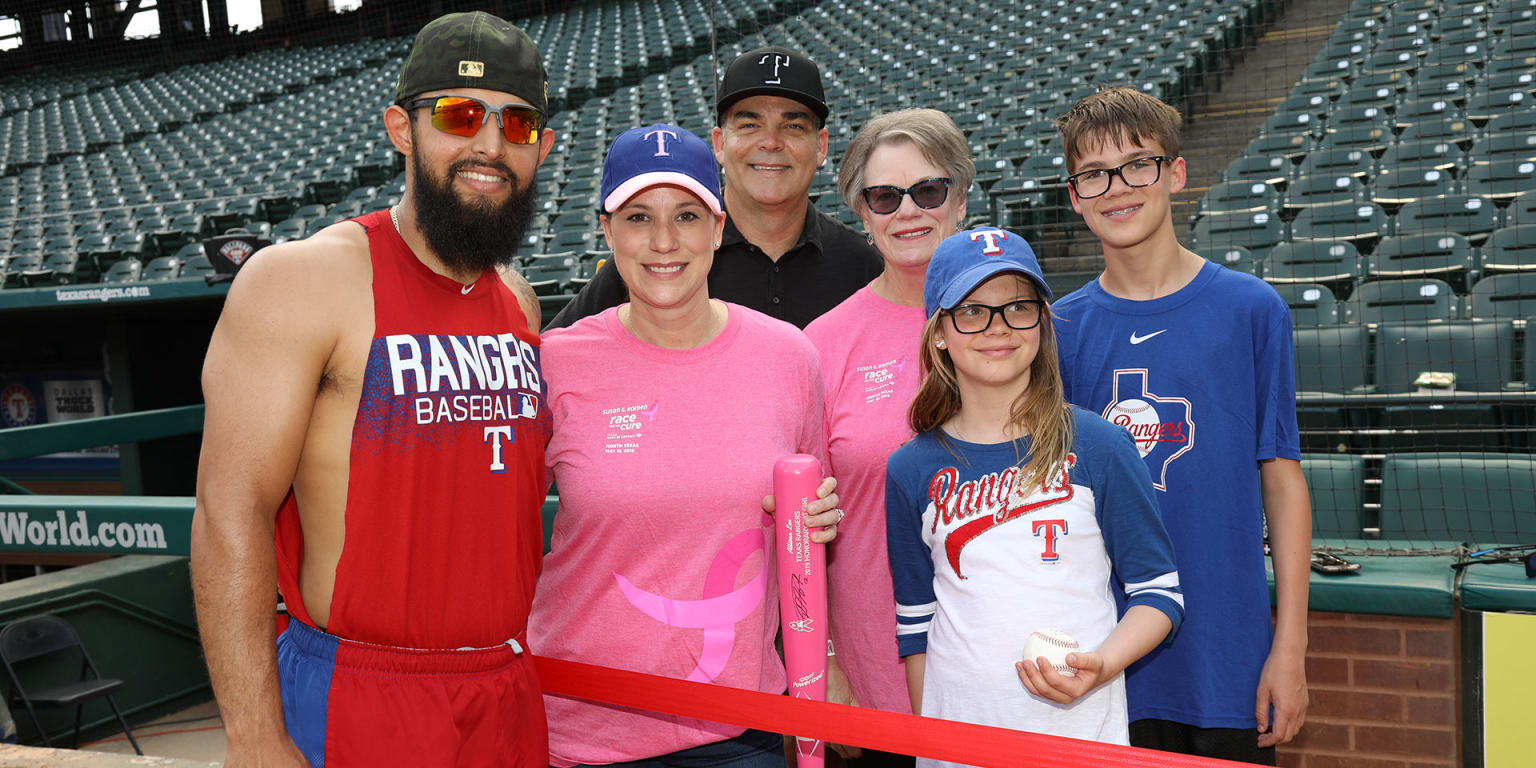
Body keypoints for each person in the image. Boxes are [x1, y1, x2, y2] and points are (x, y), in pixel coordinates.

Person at [190, 12, 557, 766]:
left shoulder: (517, 300)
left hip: (505, 689)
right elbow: (231, 514)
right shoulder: (299, 280)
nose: (490, 145)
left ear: (542, 148)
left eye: (518, 124)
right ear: (401, 127)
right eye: (460, 115)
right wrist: (254, 734)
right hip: (358, 690)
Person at [529, 123, 845, 767]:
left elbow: (812, 531)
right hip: (582, 726)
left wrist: (820, 523)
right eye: (639, 217)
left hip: (737, 726)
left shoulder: (788, 355)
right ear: (606, 229)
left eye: (688, 215)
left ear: (719, 227)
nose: (665, 241)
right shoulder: (556, 361)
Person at [1049, 86, 1311, 764]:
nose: (1117, 188)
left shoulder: (1251, 310)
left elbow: (1281, 481)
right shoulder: (1058, 330)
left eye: (1138, 164)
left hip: (1226, 655)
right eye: (1094, 175)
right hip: (1099, 656)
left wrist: (1291, 647)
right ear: (1074, 195)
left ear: (1175, 172)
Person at [884, 227, 1184, 762]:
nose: (998, 328)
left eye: (1018, 308)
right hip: (960, 746)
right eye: (972, 311)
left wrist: (1105, 662)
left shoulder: (1098, 443)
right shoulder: (911, 468)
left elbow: (1159, 595)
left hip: (1080, 740)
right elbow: (916, 624)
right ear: (939, 333)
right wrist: (931, 747)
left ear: (1042, 324)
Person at [802, 109, 972, 763]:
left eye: (928, 191)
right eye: (884, 196)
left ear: (958, 198)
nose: (909, 211)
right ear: (860, 210)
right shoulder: (822, 344)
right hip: (876, 684)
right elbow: (800, 527)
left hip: (1009, 677)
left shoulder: (1018, 325)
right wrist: (826, 667)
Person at [546, 46, 881, 331]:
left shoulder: (863, 265)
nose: (770, 142)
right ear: (720, 143)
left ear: (821, 146)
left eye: (793, 126)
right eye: (750, 125)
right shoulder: (662, 262)